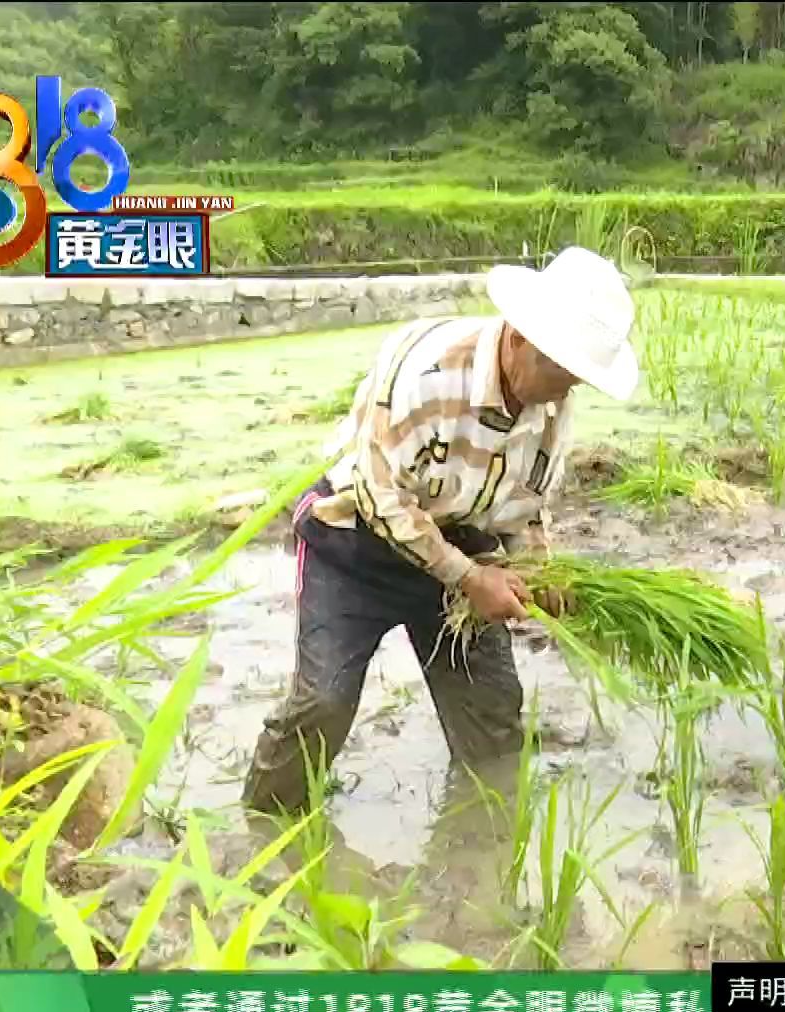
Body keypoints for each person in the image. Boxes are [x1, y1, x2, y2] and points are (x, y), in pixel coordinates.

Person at [241, 247, 641, 817]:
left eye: (577, 380)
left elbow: (525, 505)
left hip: (461, 542)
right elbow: (383, 497)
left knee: (495, 722)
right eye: (560, 372)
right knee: (323, 703)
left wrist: (538, 569)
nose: (564, 391)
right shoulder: (426, 374)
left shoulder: (552, 404)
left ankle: (481, 852)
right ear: (521, 337)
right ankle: (259, 828)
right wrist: (468, 576)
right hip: (355, 543)